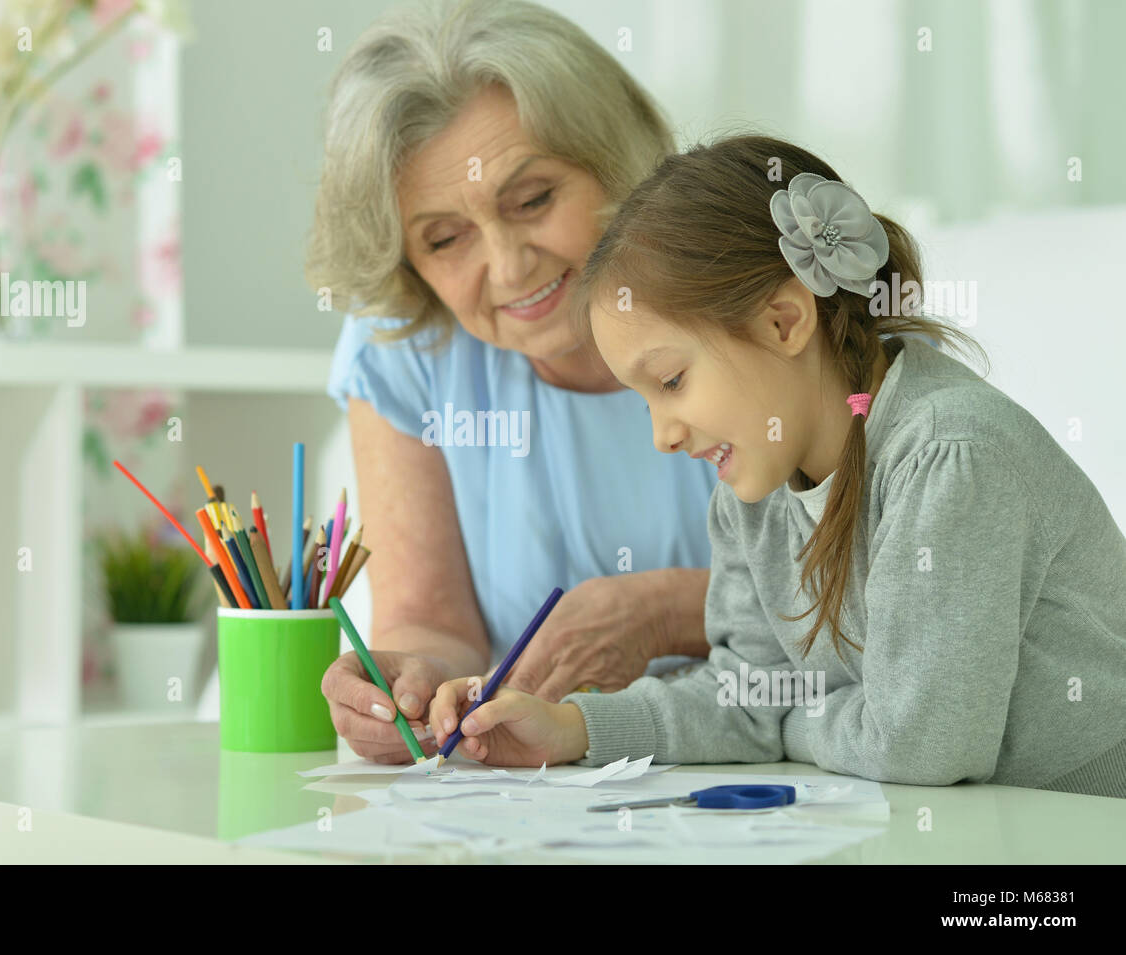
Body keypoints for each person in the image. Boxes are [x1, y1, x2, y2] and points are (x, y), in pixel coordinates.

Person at [428, 134, 1126, 797]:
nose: (662, 435)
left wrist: (792, 720)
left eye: (670, 381)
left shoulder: (950, 457)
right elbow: (746, 695)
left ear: (785, 322)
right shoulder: (752, 492)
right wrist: (570, 728)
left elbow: (923, 747)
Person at [309, 0, 718, 763]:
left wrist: (666, 612)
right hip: (540, 788)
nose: (508, 265)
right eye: (445, 238)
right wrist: (411, 678)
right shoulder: (405, 346)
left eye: (533, 200)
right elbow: (430, 619)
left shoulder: (746, 295)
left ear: (615, 161)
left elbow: (875, 598)